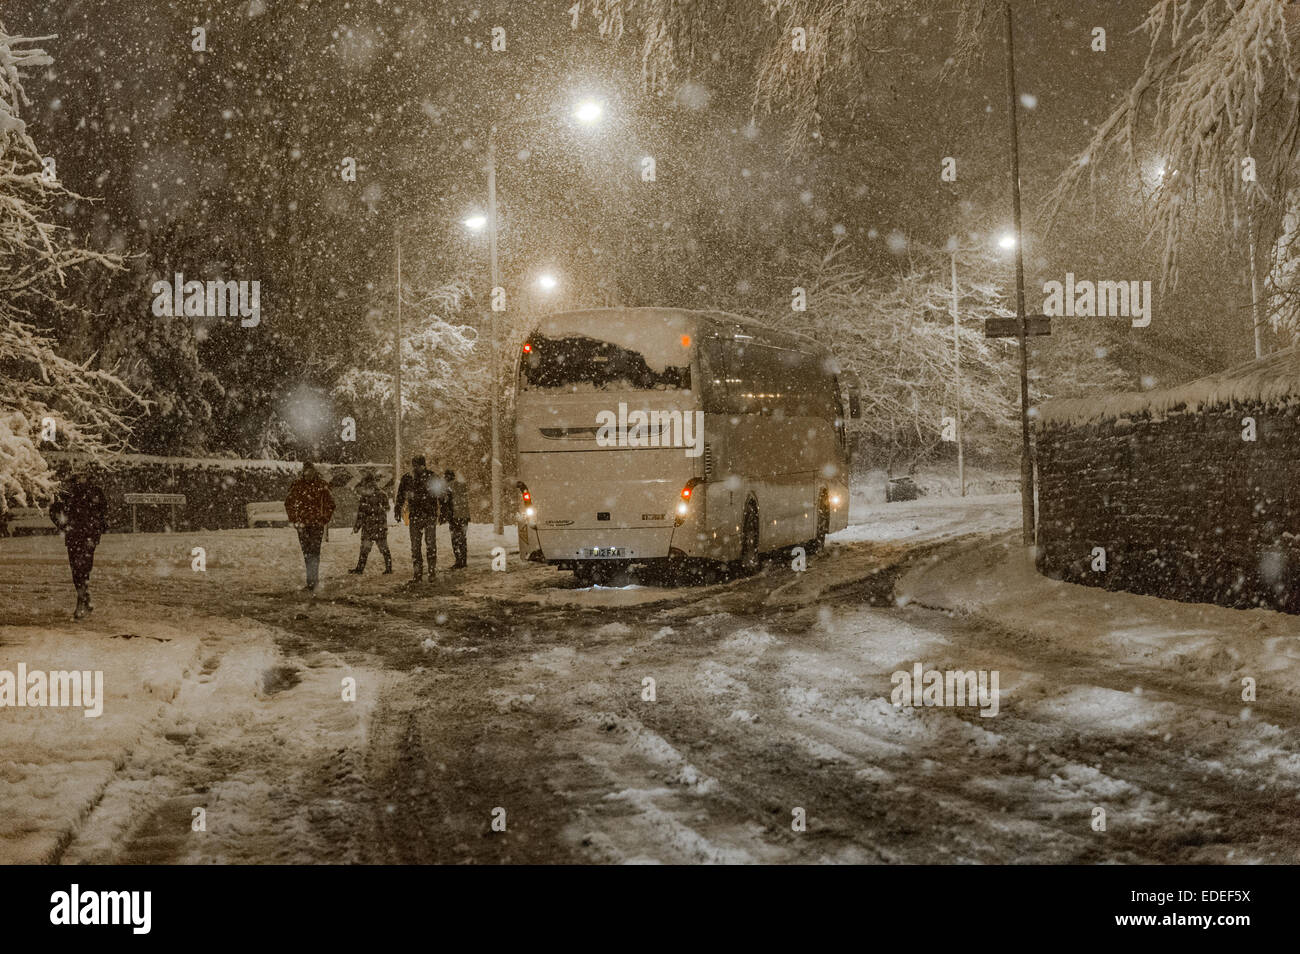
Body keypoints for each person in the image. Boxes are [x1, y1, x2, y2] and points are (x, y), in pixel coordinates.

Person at [49, 468, 108, 620]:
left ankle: (81, 602)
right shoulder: (67, 493)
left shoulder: (95, 492)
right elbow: (54, 511)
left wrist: (97, 528)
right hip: (74, 536)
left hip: (88, 537)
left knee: (84, 568)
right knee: (76, 570)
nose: (81, 478)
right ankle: (85, 598)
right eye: (79, 475)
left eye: (84, 474)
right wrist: (63, 525)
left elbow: (104, 512)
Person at [285, 462, 336, 592]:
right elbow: (289, 502)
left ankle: (312, 581)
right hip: (304, 524)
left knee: (313, 552)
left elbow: (331, 504)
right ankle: (312, 580)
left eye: (310, 471)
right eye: (306, 471)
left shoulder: (320, 485)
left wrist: (324, 518)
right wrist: (294, 519)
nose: (308, 474)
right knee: (308, 553)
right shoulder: (299, 485)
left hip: (314, 524)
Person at [394, 455, 442, 582]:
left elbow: (441, 495)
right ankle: (422, 574)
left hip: (424, 515)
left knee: (424, 545)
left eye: (418, 466)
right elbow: (400, 496)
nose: (416, 468)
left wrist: (398, 508)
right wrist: (397, 508)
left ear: (423, 465)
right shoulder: (414, 478)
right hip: (421, 515)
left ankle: (427, 573)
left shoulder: (411, 478)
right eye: (414, 465)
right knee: (420, 546)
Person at [349, 474, 392, 575]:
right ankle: (389, 568)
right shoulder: (382, 494)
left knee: (365, 549)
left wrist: (357, 527)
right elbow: (387, 508)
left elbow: (361, 514)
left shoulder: (365, 496)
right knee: (383, 548)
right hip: (379, 526)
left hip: (369, 526)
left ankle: (360, 569)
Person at [440, 468, 470, 569]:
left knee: (455, 539)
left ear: (447, 477)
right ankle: (463, 560)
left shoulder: (448, 487)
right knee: (462, 538)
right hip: (464, 516)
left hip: (455, 516)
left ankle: (458, 561)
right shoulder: (461, 485)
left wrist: (443, 516)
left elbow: (445, 503)